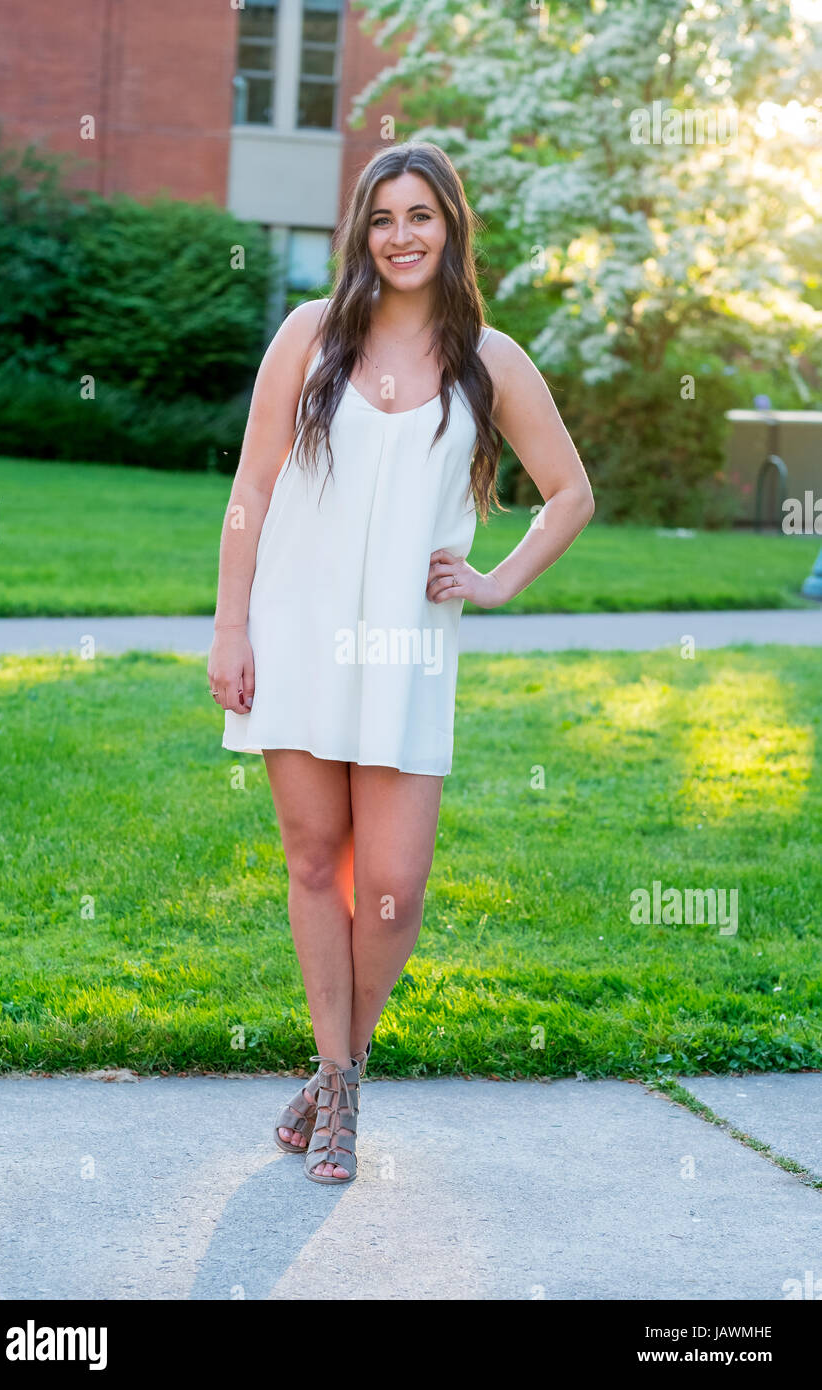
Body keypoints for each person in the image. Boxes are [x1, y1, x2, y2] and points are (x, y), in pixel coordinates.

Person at [207, 141, 594, 1185]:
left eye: (420, 214)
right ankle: (339, 1090)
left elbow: (569, 493)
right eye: (383, 217)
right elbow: (249, 488)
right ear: (360, 233)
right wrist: (229, 628)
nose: (401, 234)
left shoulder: (488, 359)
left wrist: (496, 579)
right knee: (310, 860)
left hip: (405, 653)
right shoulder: (309, 338)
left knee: (390, 887)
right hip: (293, 634)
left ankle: (337, 1064)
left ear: (450, 228)